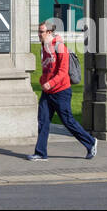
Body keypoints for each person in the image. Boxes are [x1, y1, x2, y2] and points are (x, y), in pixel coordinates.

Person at [27, 23, 97, 161]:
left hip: (61, 91)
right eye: (38, 31)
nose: (39, 34)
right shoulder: (44, 47)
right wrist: (42, 81)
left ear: (49, 32)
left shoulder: (60, 47)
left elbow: (63, 72)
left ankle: (90, 142)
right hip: (48, 92)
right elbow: (47, 70)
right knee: (43, 120)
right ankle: (40, 153)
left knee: (68, 121)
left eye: (41, 32)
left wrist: (50, 83)